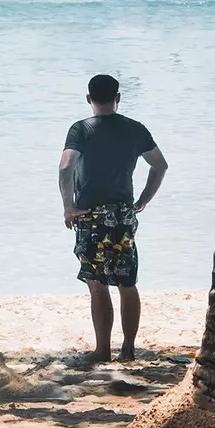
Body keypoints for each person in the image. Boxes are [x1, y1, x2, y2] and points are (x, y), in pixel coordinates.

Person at [58, 74, 168, 362]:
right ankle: (128, 349)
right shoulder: (135, 129)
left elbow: (65, 167)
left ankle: (102, 350)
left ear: (88, 99)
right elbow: (160, 166)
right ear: (118, 98)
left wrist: (68, 206)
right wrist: (142, 200)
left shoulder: (80, 129)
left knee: (97, 282)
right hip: (121, 213)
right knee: (127, 282)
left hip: (90, 216)